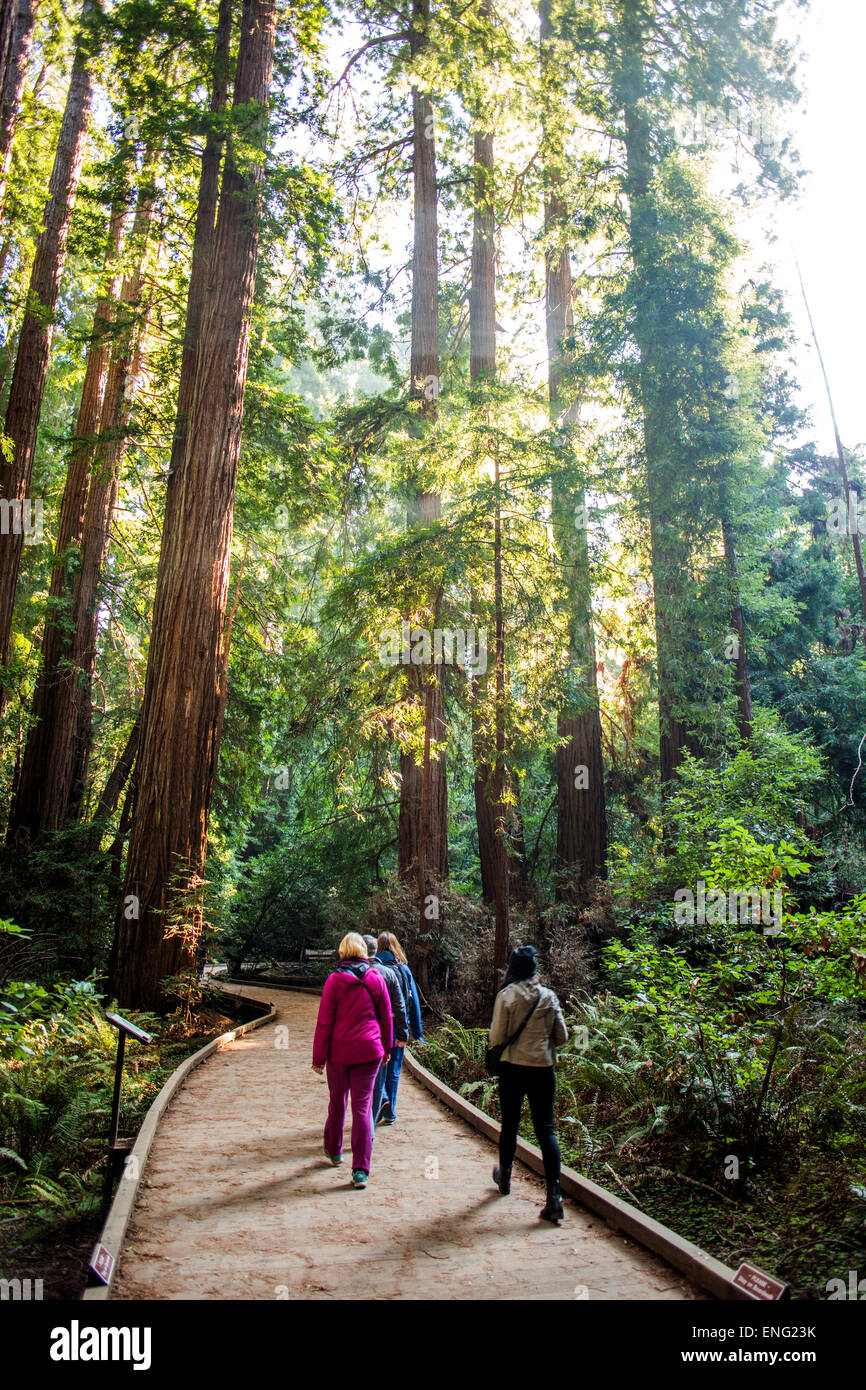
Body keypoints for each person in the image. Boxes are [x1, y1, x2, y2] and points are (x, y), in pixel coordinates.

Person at [488, 944, 568, 1223]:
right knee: (546, 1128)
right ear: (534, 969)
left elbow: (496, 1038)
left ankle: (505, 1179)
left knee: (510, 1123)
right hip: (543, 1069)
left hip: (513, 1068)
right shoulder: (549, 996)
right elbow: (563, 1036)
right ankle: (554, 1198)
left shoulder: (506, 996)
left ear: (512, 969)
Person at [312, 932, 393, 1189]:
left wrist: (318, 1058)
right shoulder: (375, 978)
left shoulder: (334, 982)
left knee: (337, 1102)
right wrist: (387, 1047)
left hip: (339, 1053)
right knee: (362, 1108)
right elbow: (386, 1016)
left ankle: (334, 1151)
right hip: (369, 1051)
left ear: (341, 953)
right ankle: (360, 1170)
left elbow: (324, 1022)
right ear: (363, 952)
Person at [374, 931, 423, 1125]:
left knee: (377, 1069)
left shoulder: (374, 969)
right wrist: (417, 1032)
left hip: (377, 1029)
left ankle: (380, 1102)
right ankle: (389, 1112)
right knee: (394, 1069)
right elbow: (413, 1002)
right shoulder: (403, 969)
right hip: (397, 1029)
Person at [362, 934, 408, 1128]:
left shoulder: (354, 973)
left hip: (360, 1036)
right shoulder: (392, 972)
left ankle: (370, 1120)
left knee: (363, 1083)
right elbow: (400, 1006)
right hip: (382, 1036)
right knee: (381, 1077)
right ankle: (372, 1124)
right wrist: (403, 1033)